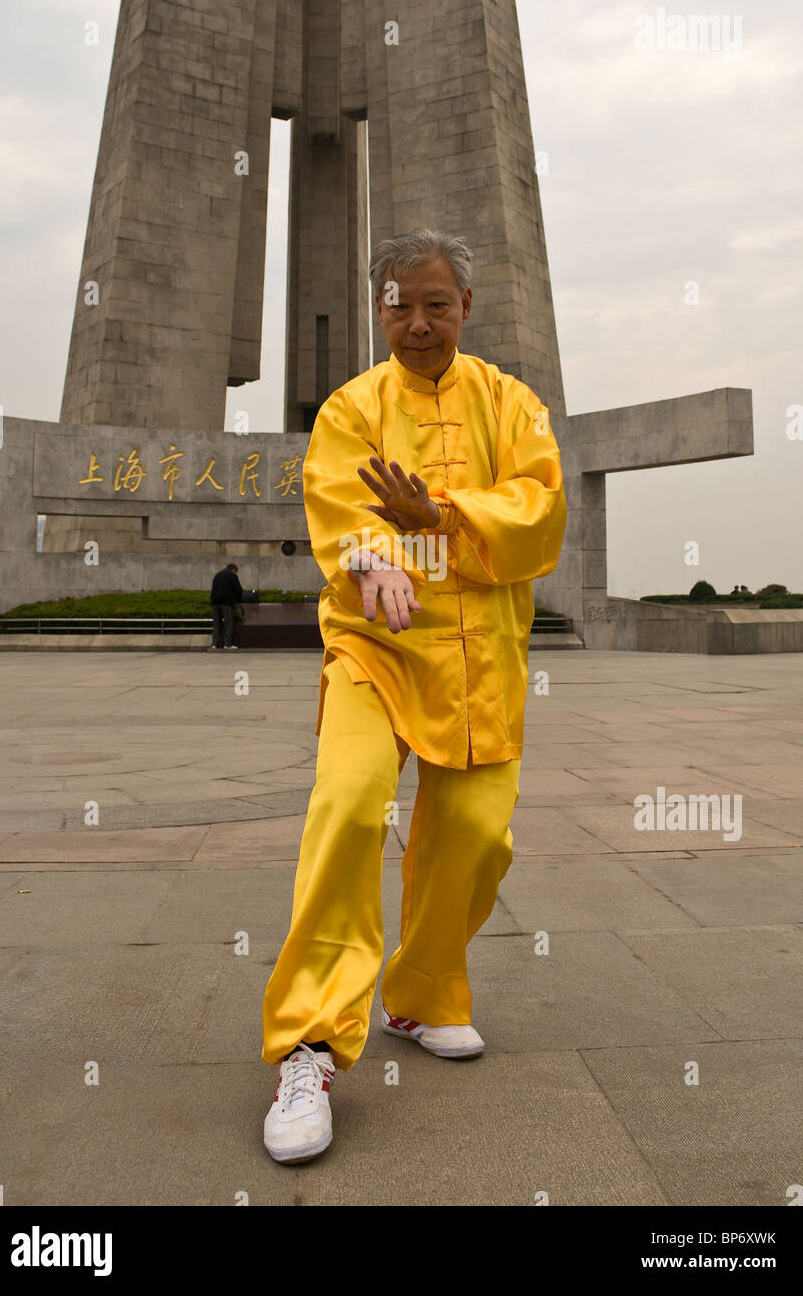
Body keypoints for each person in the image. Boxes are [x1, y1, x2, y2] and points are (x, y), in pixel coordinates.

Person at [260, 228, 567, 1164]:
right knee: (349, 804)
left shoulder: (510, 404)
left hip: (482, 657)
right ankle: (308, 1043)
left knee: (477, 836)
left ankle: (423, 993)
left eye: (436, 303)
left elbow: (540, 507)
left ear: (465, 307)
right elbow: (339, 506)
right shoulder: (351, 408)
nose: (418, 321)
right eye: (399, 302)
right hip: (374, 642)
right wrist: (373, 559)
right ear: (377, 307)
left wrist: (442, 515)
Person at [209, 562, 242, 650]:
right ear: (234, 570)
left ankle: (214, 644)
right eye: (236, 572)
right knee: (228, 623)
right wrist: (238, 601)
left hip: (215, 603)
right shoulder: (232, 575)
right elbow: (238, 589)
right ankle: (227, 644)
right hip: (226, 603)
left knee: (216, 624)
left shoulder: (217, 575)